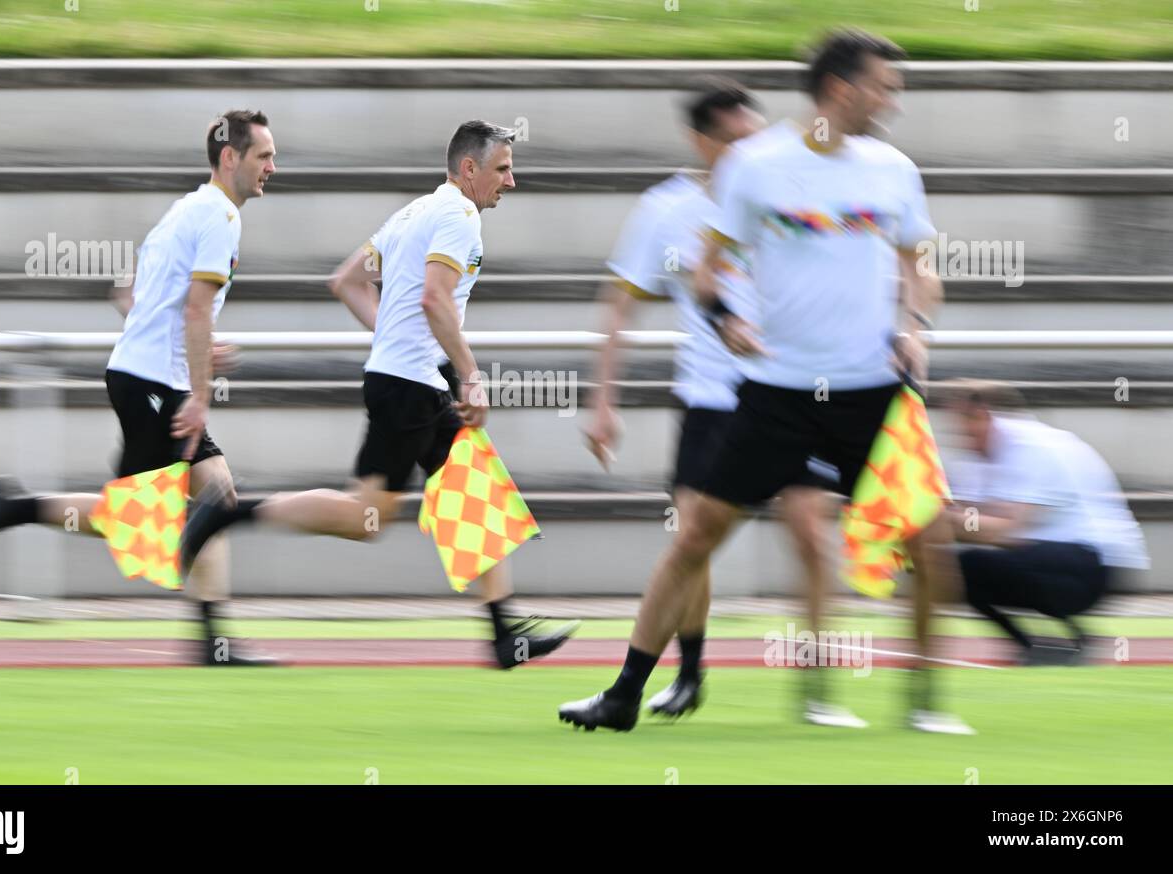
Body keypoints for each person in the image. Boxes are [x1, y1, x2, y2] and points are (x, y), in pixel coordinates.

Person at [560, 29, 973, 734]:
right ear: (841, 90)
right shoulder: (754, 167)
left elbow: (920, 264)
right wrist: (724, 320)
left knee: (931, 545)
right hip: (776, 395)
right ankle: (625, 693)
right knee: (696, 538)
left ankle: (924, 705)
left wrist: (915, 324)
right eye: (884, 87)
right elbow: (707, 269)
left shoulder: (894, 170)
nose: (893, 102)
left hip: (873, 392)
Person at [180, 120, 575, 669]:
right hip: (412, 384)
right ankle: (228, 515)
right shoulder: (461, 217)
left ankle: (505, 632)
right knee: (385, 510)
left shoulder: (415, 211)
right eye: (503, 168)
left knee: (442, 498)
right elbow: (436, 300)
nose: (511, 181)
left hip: (405, 378)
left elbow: (346, 280)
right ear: (469, 169)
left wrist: (396, 341)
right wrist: (471, 373)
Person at [0, 109, 277, 666]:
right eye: (264, 155)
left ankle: (211, 641)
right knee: (166, 514)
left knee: (203, 499)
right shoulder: (219, 217)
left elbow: (127, 290)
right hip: (156, 383)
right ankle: (13, 507)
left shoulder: (186, 210)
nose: (273, 166)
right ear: (230, 158)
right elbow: (195, 308)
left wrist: (179, 339)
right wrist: (200, 391)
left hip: (144, 376)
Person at [586, 79, 835, 718]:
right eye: (735, 140)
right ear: (701, 142)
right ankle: (689, 675)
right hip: (713, 401)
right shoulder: (665, 210)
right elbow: (619, 307)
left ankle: (816, 685)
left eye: (757, 136)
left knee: (809, 533)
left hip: (792, 395)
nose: (751, 150)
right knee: (694, 542)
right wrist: (603, 403)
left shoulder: (790, 198)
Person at [944, 380, 1149, 664]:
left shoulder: (1033, 447)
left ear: (983, 415)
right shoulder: (981, 456)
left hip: (1097, 565)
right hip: (1060, 559)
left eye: (964, 423)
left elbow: (1007, 530)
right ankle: (1040, 645)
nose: (961, 436)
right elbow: (971, 515)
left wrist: (934, 521)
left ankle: (1049, 643)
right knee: (954, 567)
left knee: (967, 564)